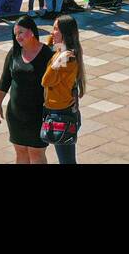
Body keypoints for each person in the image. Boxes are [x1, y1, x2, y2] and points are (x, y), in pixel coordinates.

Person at [0, 15, 54, 164]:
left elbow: (56, 82)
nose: (18, 37)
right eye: (15, 34)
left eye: (21, 32)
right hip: (16, 114)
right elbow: (5, 80)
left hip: (38, 114)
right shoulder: (14, 53)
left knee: (36, 153)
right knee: (20, 152)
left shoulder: (46, 54)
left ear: (31, 31)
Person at [41, 14, 86, 164]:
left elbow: (46, 81)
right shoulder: (62, 50)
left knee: (67, 161)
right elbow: (48, 46)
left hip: (61, 114)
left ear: (65, 33)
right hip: (60, 110)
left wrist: (55, 65)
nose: (52, 32)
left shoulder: (66, 59)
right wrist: (54, 38)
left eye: (55, 29)